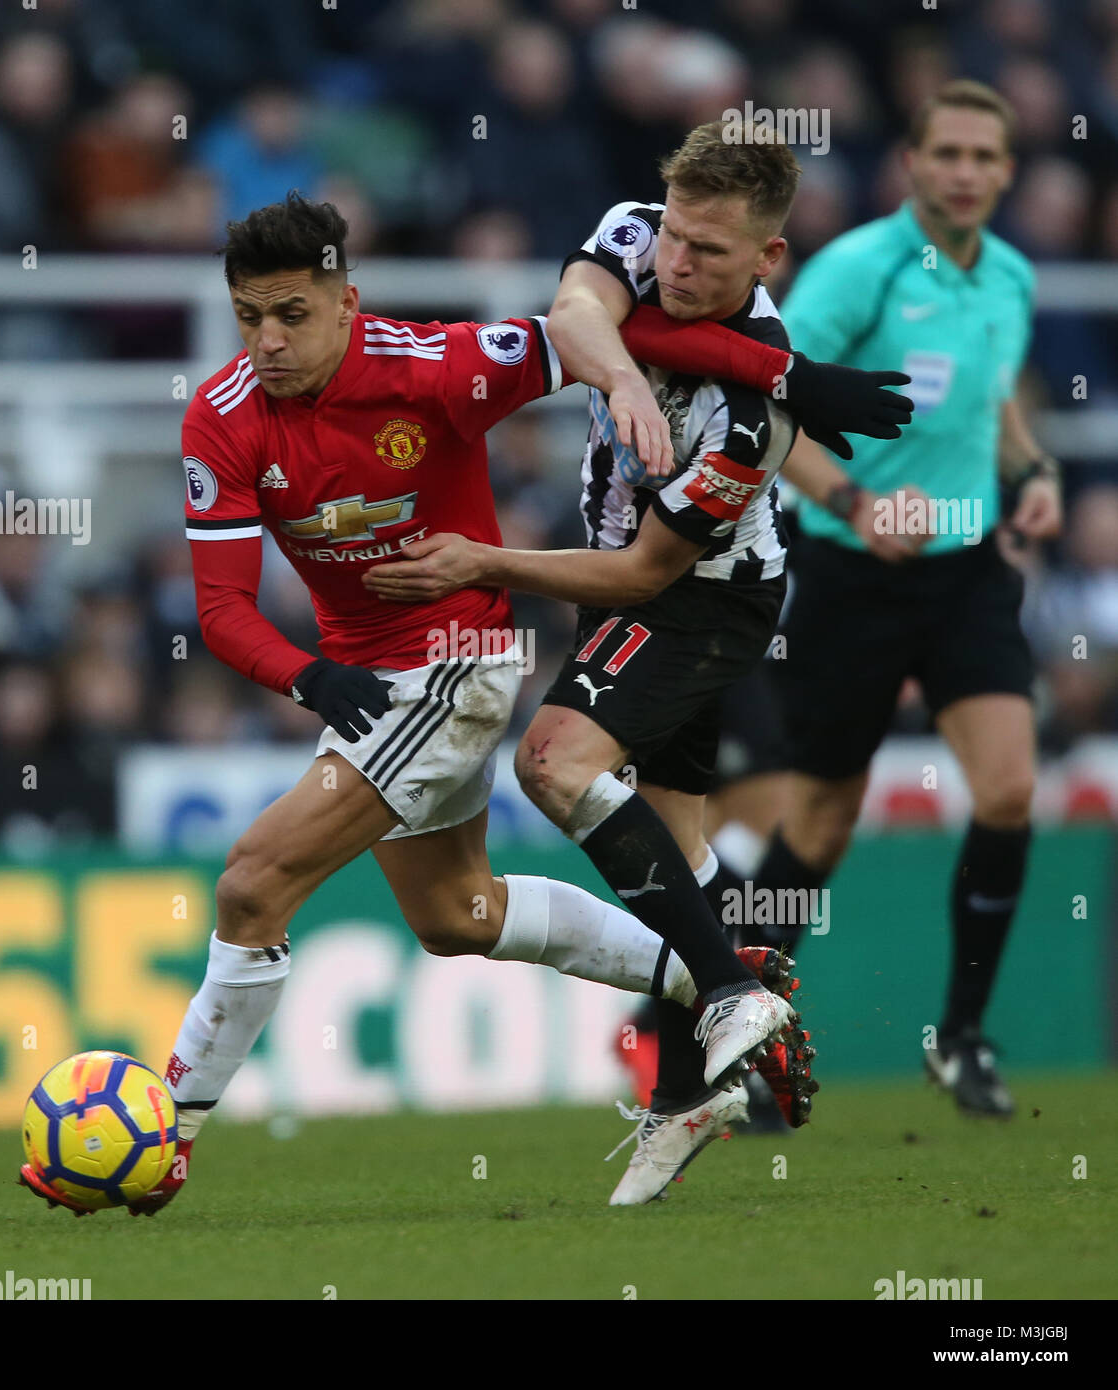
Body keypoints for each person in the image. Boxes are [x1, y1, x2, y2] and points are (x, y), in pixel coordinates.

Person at [18, 190, 909, 1215]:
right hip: (361, 686)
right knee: (457, 914)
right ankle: (721, 972)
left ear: (346, 301)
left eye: (293, 315)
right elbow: (220, 611)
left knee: (252, 884)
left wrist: (788, 377)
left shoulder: (434, 364)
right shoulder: (220, 421)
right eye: (250, 317)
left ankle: (166, 1133)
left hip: (459, 659)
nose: (268, 340)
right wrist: (308, 675)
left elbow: (601, 327)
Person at [365, 122, 913, 1202]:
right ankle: (688, 1094)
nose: (676, 261)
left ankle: (731, 989)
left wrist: (480, 559)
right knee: (679, 845)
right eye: (674, 236)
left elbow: (641, 578)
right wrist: (617, 377)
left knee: (554, 762)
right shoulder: (632, 234)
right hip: (631, 583)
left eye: (711, 251)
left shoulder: (750, 420)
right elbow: (573, 314)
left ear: (768, 259)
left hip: (698, 604)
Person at [726, 80, 1062, 1117]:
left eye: (984, 156)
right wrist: (858, 501)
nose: (965, 171)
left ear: (1007, 171)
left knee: (1008, 790)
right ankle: (738, 1032)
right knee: (819, 824)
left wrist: (1034, 467)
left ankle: (960, 1038)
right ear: (911, 162)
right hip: (851, 574)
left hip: (966, 572)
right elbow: (766, 399)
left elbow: (994, 395)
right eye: (947, 151)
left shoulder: (1009, 276)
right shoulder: (860, 269)